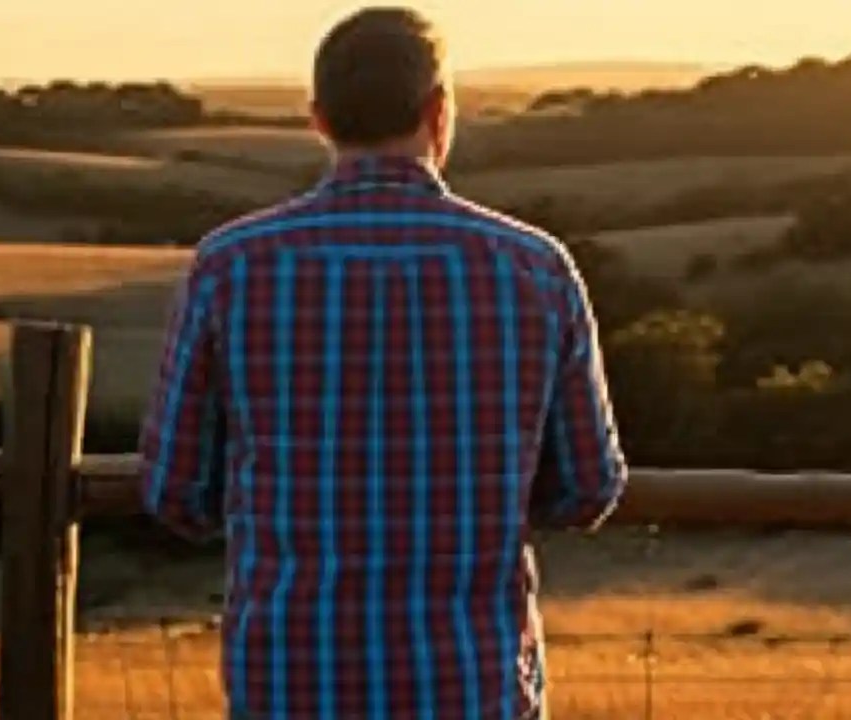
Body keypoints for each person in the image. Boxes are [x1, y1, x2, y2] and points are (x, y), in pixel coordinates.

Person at [139, 7, 627, 719]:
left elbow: (175, 490)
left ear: (319, 119)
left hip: (289, 687)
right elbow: (589, 487)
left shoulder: (231, 266)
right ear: (439, 112)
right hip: (470, 688)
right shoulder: (533, 267)